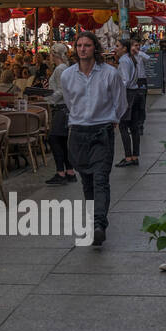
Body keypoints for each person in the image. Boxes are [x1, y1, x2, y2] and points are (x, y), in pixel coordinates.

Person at [60, 31, 128, 246]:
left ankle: (99, 224)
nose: (82, 49)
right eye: (79, 45)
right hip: (78, 133)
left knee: (100, 179)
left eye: (87, 45)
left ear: (94, 48)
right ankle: (93, 222)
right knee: (87, 182)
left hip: (101, 132)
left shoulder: (109, 73)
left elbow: (121, 101)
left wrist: (112, 118)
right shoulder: (67, 76)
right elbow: (69, 102)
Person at [43, 44, 76, 185]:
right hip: (63, 108)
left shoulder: (60, 69)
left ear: (54, 54)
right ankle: (69, 171)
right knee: (61, 141)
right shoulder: (64, 68)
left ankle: (60, 173)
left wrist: (47, 97)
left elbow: (62, 91)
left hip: (61, 109)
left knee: (54, 139)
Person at [114, 39, 143, 169]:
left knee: (123, 126)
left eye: (117, 46)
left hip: (128, 95)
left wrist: (118, 95)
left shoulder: (124, 60)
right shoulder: (131, 59)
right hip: (136, 93)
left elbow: (124, 80)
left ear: (124, 48)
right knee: (134, 127)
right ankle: (135, 156)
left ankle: (128, 157)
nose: (116, 48)